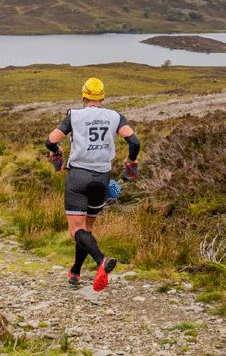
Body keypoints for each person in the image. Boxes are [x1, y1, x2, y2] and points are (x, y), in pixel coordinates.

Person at [45, 78, 140, 292]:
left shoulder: (74, 116)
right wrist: (131, 160)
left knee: (76, 231)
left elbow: (50, 141)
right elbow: (135, 142)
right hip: (102, 178)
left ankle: (101, 260)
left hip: (78, 177)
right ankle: (75, 271)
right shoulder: (115, 117)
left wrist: (57, 152)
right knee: (86, 230)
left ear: (84, 96)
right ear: (102, 97)